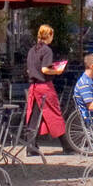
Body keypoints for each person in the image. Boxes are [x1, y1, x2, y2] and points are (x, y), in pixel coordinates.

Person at [22, 25, 76, 156]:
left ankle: (31, 147)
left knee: (34, 116)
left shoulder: (31, 50)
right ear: (49, 35)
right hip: (45, 86)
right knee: (55, 114)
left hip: (33, 87)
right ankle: (67, 146)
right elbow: (45, 69)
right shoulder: (47, 50)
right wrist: (57, 71)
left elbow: (29, 69)